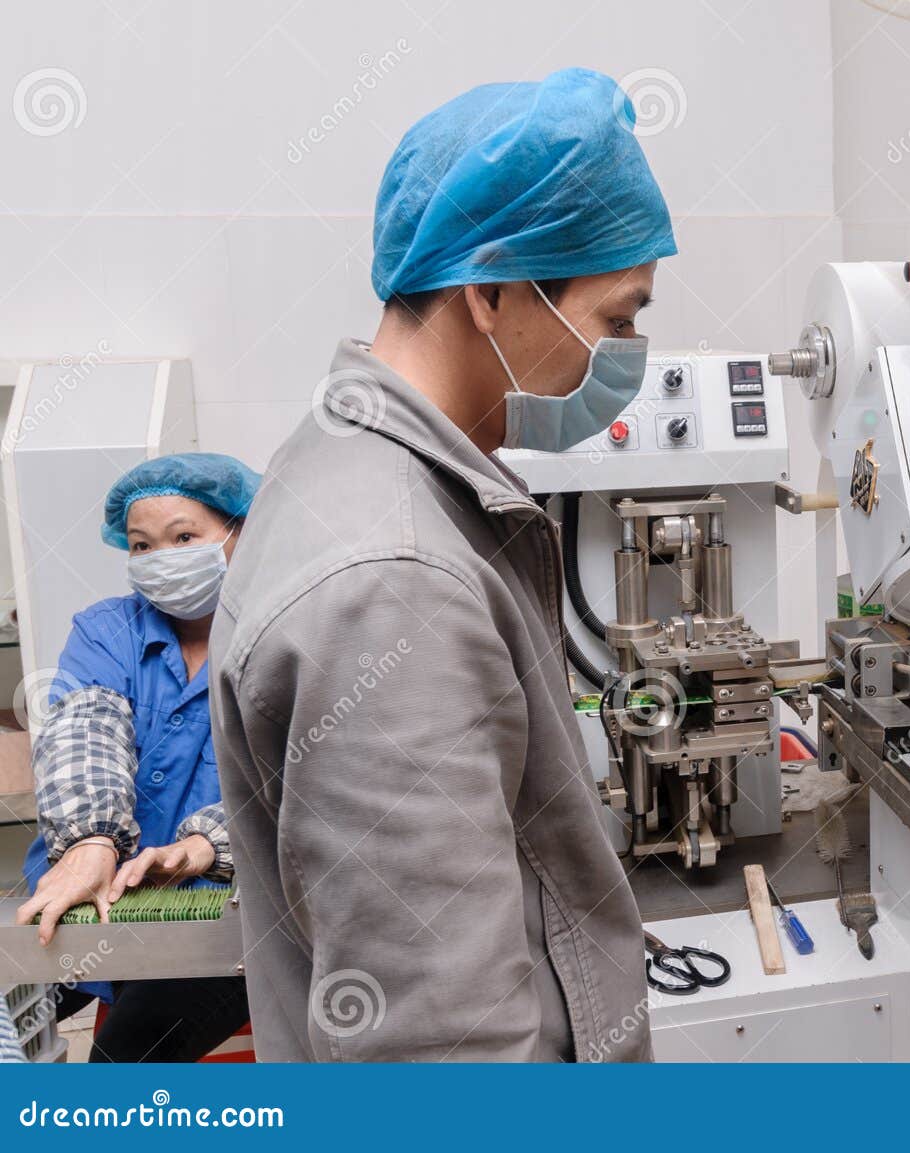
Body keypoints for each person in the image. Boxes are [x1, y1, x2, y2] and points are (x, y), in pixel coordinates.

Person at [211, 69, 674, 1062]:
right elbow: (441, 1047)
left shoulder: (342, 461)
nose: (629, 355)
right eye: (619, 319)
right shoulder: (393, 582)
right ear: (493, 291)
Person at [14, 452, 259, 1062]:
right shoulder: (107, 630)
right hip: (84, 883)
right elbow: (83, 735)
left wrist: (207, 844)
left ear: (240, 532)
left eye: (183, 537)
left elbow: (298, 776)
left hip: (224, 913)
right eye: (142, 546)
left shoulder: (281, 632)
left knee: (121, 1071)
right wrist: (90, 844)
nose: (162, 559)